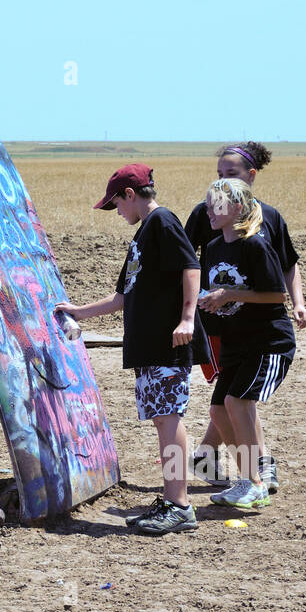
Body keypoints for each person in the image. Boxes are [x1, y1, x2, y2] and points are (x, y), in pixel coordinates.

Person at [56, 163, 210, 535]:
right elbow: (123, 296)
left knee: (169, 418)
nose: (118, 212)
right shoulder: (144, 233)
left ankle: (179, 504)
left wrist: (187, 319)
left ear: (130, 194)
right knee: (162, 418)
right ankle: (174, 500)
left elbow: (191, 268)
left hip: (169, 342)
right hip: (149, 346)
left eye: (117, 204)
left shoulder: (163, 222)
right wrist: (80, 312)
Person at [184, 142, 306, 493]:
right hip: (219, 328)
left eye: (231, 175)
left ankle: (249, 471)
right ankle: (235, 466)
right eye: (219, 174)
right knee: (228, 401)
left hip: (259, 331)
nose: (221, 181)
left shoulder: (266, 221)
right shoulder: (207, 217)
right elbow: (185, 262)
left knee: (237, 400)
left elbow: (285, 267)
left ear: (249, 177)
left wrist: (298, 304)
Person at [197, 178, 296, 511]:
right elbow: (214, 292)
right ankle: (248, 479)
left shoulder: (254, 245)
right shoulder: (212, 248)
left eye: (216, 204)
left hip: (267, 341)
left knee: (237, 403)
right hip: (236, 342)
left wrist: (230, 294)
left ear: (236, 208)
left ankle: (255, 484)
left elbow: (276, 294)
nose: (209, 210)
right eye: (208, 204)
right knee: (218, 408)